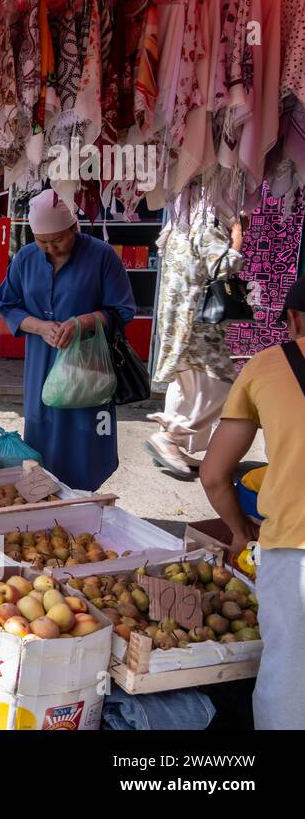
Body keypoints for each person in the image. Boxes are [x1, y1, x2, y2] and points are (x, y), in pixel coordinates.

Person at [199, 276, 305, 729]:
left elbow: (214, 474)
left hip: (295, 547)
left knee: (289, 683)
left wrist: (241, 533)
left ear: (294, 319)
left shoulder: (268, 365)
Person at [0, 189, 136, 491]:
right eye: (42, 241)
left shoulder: (101, 256)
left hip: (89, 366)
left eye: (57, 240)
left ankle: (84, 501)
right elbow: (7, 304)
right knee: (41, 426)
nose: (49, 249)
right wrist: (41, 327)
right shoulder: (26, 258)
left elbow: (122, 310)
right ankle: (42, 500)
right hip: (41, 363)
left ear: (74, 228)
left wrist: (80, 323)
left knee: (84, 435)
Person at [146, 207, 246, 477]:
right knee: (220, 387)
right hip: (198, 326)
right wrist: (238, 237)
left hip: (178, 323)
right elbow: (224, 266)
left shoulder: (179, 227)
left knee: (187, 386)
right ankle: (170, 438)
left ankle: (172, 446)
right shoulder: (206, 227)